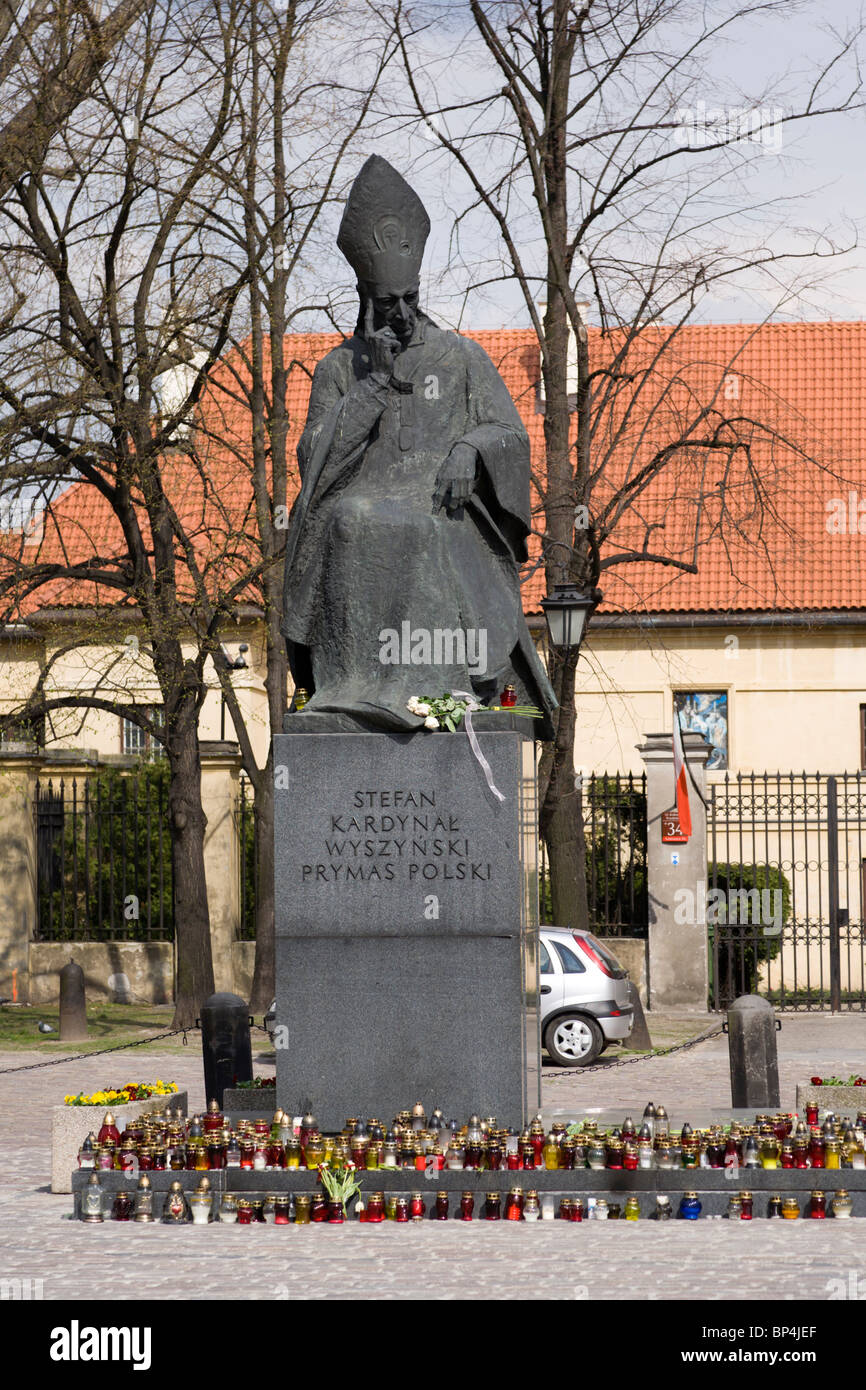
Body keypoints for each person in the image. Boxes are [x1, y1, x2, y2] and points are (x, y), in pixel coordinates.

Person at [281, 155, 557, 735]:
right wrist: (375, 384)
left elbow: (510, 433)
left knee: (424, 526)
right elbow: (316, 460)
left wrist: (472, 450)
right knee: (351, 519)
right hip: (363, 500)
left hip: (445, 504)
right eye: (388, 305)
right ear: (364, 295)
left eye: (410, 299)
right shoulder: (340, 368)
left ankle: (438, 689)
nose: (403, 315)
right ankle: (354, 687)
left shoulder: (460, 357)